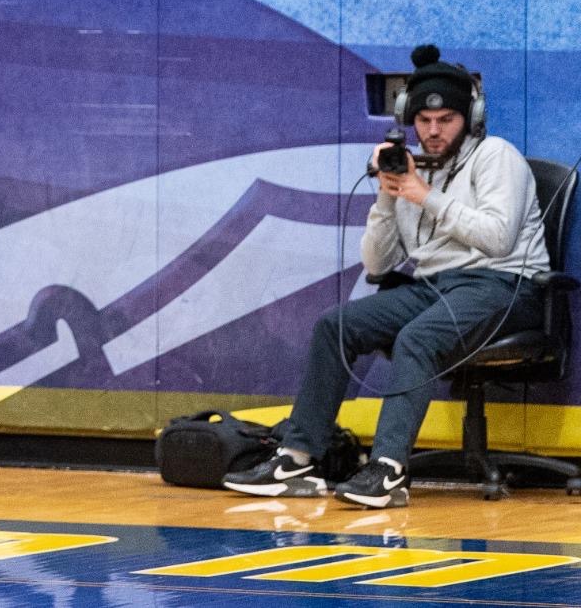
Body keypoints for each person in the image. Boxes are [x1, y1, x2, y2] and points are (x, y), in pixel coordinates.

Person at [223, 45, 550, 509]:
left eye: (446, 120)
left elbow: (497, 239)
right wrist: (387, 196)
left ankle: (389, 470)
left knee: (418, 338)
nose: (433, 132)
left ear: (471, 117)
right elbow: (377, 266)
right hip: (436, 289)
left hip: (504, 287)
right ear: (408, 120)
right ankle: (296, 459)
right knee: (336, 325)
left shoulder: (496, 156)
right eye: (424, 121)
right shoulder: (412, 169)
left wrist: (423, 195)